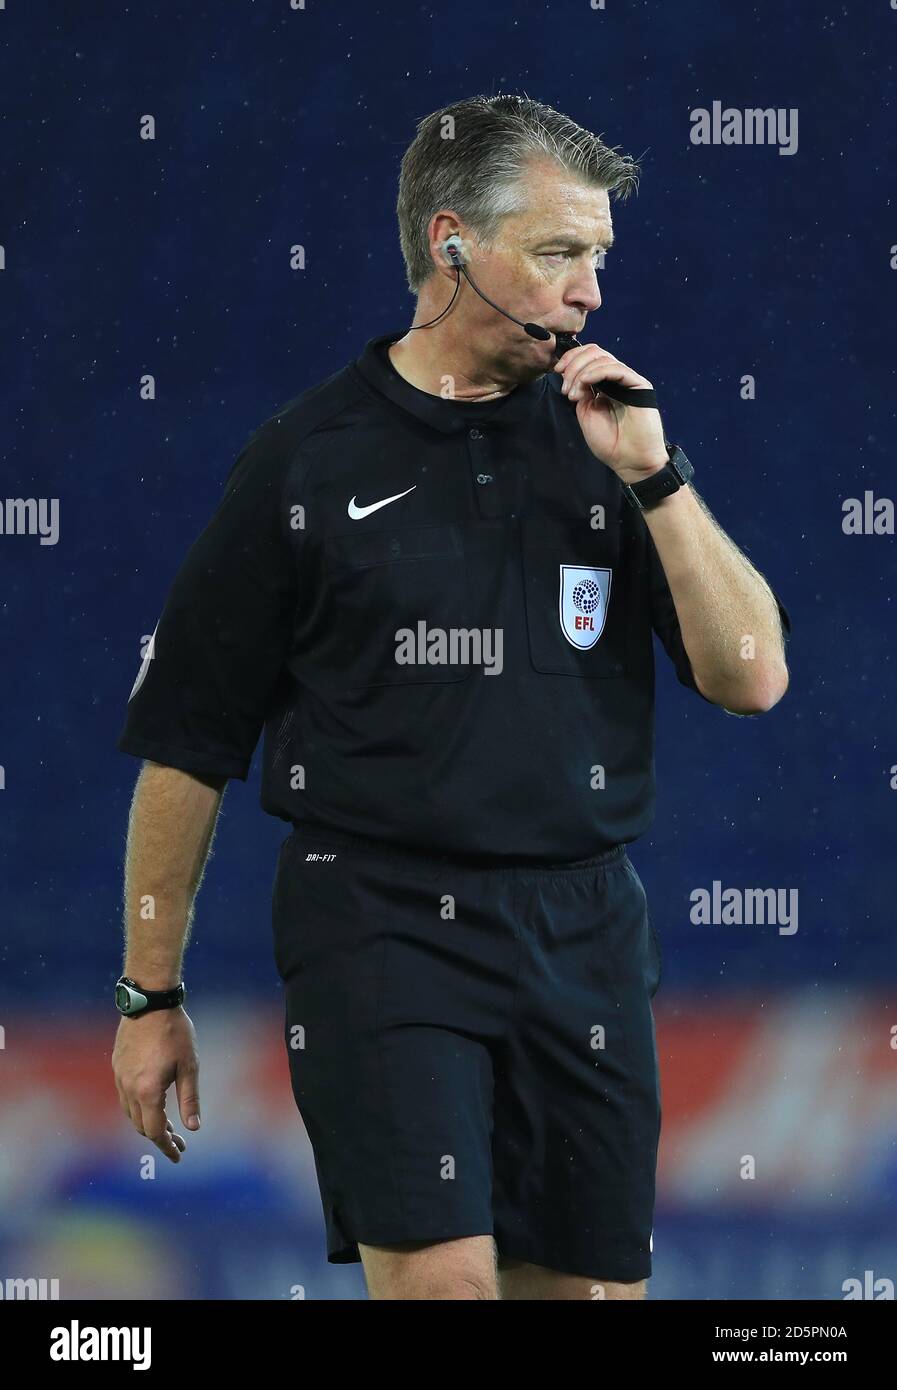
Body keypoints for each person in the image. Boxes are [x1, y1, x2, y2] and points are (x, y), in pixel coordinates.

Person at [112, 94, 792, 1301]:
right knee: (447, 1292)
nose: (589, 289)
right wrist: (149, 992)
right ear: (451, 243)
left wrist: (659, 477)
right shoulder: (306, 460)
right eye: (558, 252)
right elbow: (187, 740)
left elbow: (752, 677)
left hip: (584, 930)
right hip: (381, 923)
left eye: (598, 257)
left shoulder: (608, 445)